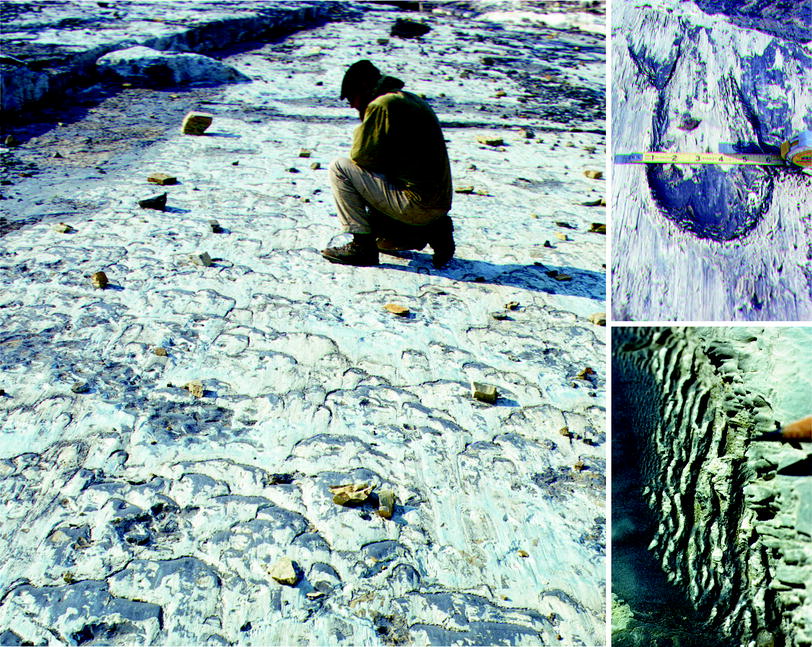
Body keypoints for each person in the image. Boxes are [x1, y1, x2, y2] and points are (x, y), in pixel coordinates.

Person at [321, 60, 455, 268]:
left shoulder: (382, 105)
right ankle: (434, 230)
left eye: (351, 98)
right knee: (384, 242)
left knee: (340, 168)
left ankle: (361, 246)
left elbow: (360, 157)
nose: (351, 105)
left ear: (363, 89)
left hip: (416, 204)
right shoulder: (410, 100)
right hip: (437, 204)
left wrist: (365, 119)